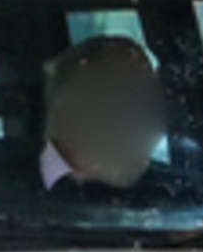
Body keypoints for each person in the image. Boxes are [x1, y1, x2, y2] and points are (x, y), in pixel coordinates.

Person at [31, 35, 169, 203]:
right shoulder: (9, 188)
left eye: (147, 101)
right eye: (119, 96)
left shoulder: (168, 194)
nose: (146, 119)